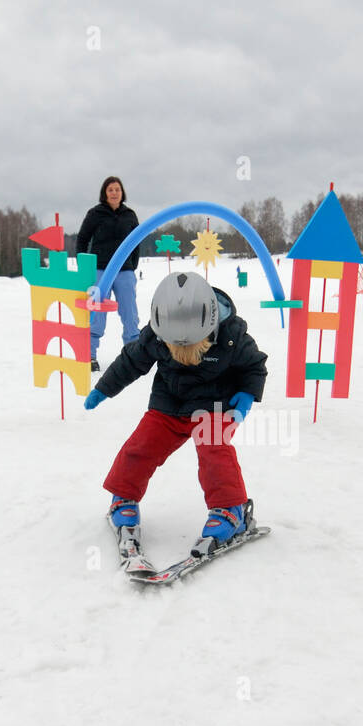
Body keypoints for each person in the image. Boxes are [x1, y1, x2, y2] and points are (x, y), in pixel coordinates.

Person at [83, 271, 267, 550]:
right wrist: (104, 389)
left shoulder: (232, 335)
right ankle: (123, 496)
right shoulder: (157, 331)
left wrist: (247, 393)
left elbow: (254, 365)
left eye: (193, 350)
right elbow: (131, 361)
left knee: (214, 447)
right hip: (170, 401)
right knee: (141, 445)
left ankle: (231, 509)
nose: (182, 356)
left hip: (214, 404)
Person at [77, 175, 140, 371]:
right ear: (105, 193)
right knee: (96, 313)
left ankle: (133, 355)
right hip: (99, 270)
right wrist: (84, 267)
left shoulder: (130, 215)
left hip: (124, 271)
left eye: (117, 189)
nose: (114, 193)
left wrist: (132, 264)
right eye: (110, 189)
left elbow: (136, 241)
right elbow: (82, 239)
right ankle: (90, 356)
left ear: (122, 193)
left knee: (130, 314)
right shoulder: (95, 214)